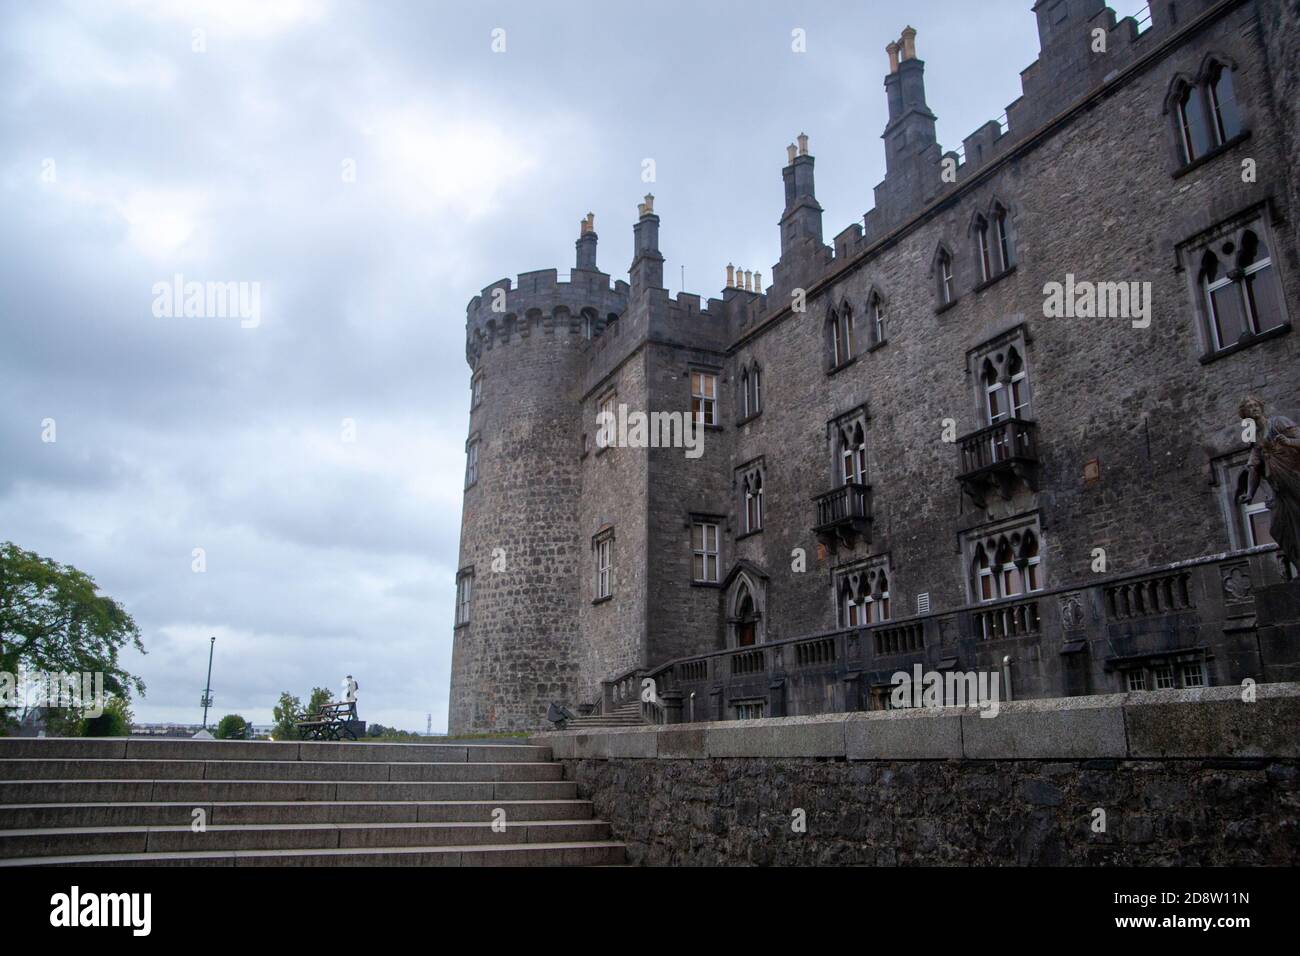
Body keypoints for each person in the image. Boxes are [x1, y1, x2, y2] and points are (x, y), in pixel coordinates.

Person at [1238, 396, 1300, 578]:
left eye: (1255, 405)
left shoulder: (1279, 422)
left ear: (1261, 407)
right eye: (1249, 407)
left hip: (1295, 478)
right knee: (1278, 528)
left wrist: (1289, 443)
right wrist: (1250, 493)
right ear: (1245, 414)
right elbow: (1254, 467)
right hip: (1279, 489)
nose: (1253, 409)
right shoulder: (1255, 437)